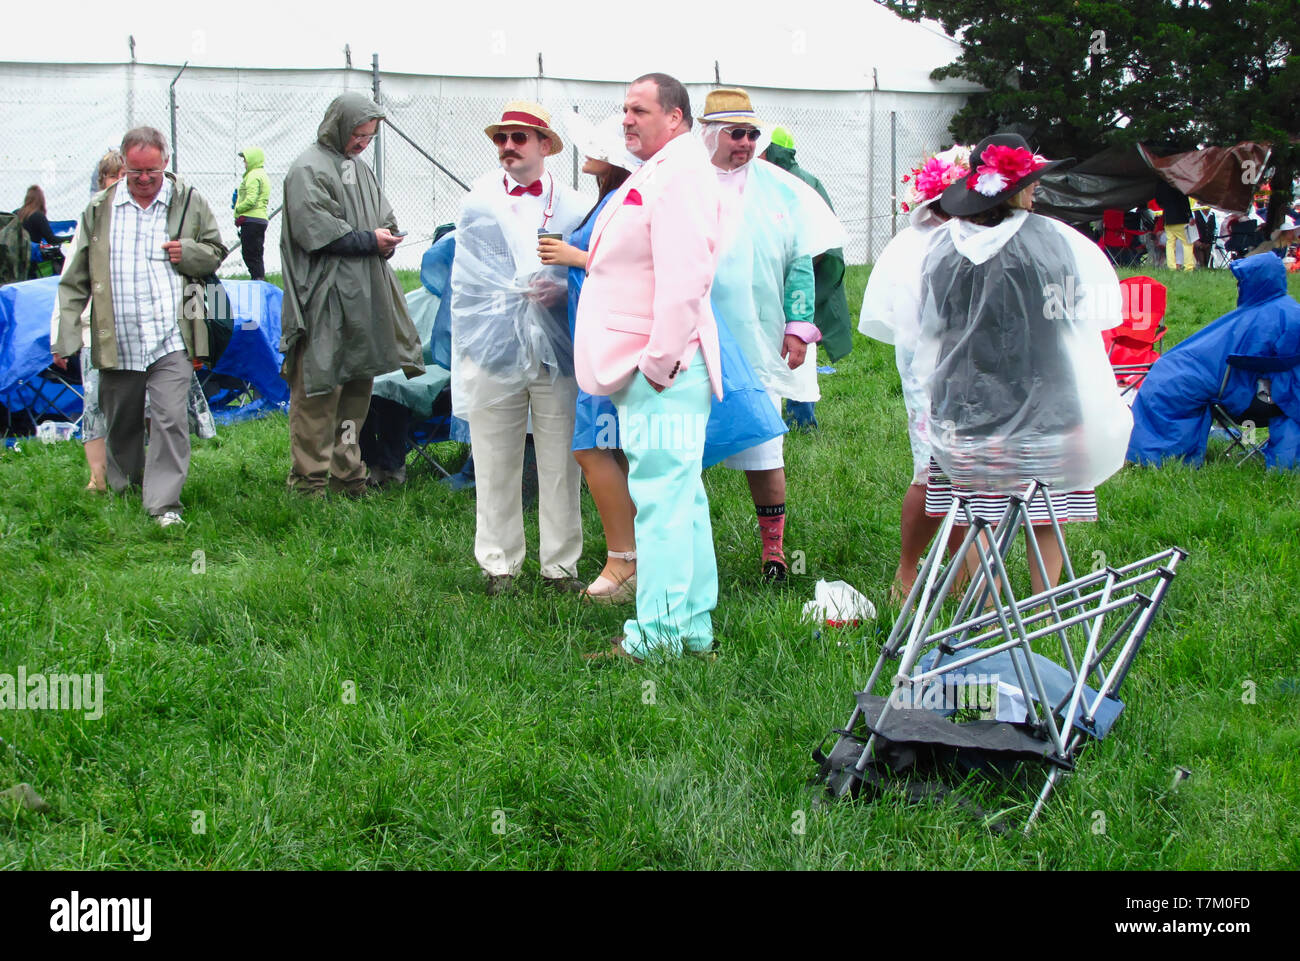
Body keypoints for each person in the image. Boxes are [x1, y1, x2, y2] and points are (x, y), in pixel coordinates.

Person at [913, 134, 1131, 592]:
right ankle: (1041, 602)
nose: (1037, 192)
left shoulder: (942, 246)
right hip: (1047, 400)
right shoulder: (1051, 241)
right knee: (1046, 510)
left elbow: (931, 320)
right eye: (1032, 183)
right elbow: (1073, 314)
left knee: (974, 511)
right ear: (1016, 189)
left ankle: (987, 608)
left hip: (965, 405)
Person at [573, 72, 725, 662]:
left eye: (639, 110)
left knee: (661, 502)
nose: (627, 120)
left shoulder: (681, 174)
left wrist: (657, 365)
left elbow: (687, 279)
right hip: (660, 368)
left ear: (677, 118)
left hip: (663, 371)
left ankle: (656, 638)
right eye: (624, 110)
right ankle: (688, 630)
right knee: (680, 499)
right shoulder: (666, 169)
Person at [701, 87, 844, 583]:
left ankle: (775, 552)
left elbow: (799, 263)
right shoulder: (682, 183)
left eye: (752, 134)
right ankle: (682, 550)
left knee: (764, 443)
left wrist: (798, 328)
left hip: (758, 341)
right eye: (736, 133)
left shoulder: (781, 188)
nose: (746, 143)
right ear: (710, 134)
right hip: (692, 339)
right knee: (681, 444)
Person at [55, 126, 228, 527]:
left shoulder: (189, 203)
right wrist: (64, 337)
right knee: (122, 422)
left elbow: (216, 252)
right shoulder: (100, 209)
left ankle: (164, 505)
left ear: (165, 163)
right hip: (118, 339)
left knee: (170, 418)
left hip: (171, 336)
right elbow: (75, 278)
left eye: (152, 170)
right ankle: (127, 484)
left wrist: (188, 253)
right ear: (124, 166)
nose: (145, 179)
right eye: (135, 172)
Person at [449, 100, 588, 595]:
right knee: (493, 457)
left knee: (561, 460)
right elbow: (466, 283)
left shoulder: (574, 204)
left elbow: (590, 269)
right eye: (501, 138)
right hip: (495, 347)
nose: (507, 147)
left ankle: (561, 567)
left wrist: (561, 289)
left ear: (545, 145)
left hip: (558, 348)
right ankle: (499, 565)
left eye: (519, 138)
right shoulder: (478, 200)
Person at [279, 93, 424, 498]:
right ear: (339, 125)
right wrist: (369, 240)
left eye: (369, 136)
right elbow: (313, 231)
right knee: (318, 395)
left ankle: (348, 477)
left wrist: (388, 239)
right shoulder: (308, 168)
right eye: (358, 134)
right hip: (324, 301)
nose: (362, 142)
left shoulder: (358, 170)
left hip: (364, 302)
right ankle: (308, 484)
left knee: (356, 396)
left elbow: (383, 216)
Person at [859, 145, 971, 598]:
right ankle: (906, 571)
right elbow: (921, 322)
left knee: (968, 476)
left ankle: (962, 571)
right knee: (931, 469)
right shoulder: (924, 244)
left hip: (974, 370)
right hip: (934, 372)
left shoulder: (968, 236)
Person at [537, 112, 639, 602]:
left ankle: (626, 562)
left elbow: (637, 263)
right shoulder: (613, 197)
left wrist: (574, 258)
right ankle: (635, 556)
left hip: (611, 345)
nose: (586, 153)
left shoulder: (625, 199)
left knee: (591, 447)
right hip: (595, 338)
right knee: (612, 448)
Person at [760, 126, 855, 430]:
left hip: (799, 280)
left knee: (799, 344)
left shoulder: (791, 183)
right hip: (782, 280)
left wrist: (793, 270)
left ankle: (800, 418)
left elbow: (813, 243)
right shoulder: (770, 180)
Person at [49, 151, 126, 491]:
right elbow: (70, 281)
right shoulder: (90, 218)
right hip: (95, 329)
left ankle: (140, 471)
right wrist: (60, 336)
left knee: (144, 406)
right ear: (102, 181)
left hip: (141, 326)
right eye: (115, 175)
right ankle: (98, 478)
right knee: (95, 404)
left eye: (127, 174)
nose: (121, 182)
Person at [234, 146, 270, 280]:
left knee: (249, 253)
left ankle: (258, 280)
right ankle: (259, 279)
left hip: (251, 220)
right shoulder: (262, 175)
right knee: (257, 253)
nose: (244, 163)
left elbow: (250, 200)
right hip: (260, 219)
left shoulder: (253, 176)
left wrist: (238, 209)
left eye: (246, 160)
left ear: (253, 160)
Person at [18, 185, 64, 277]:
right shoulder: (38, 216)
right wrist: (71, 238)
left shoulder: (16, 213)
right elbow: (51, 239)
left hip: (17, 257)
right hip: (31, 258)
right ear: (41, 200)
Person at [1156, 180, 1195, 271]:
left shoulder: (1161, 183)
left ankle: (1171, 267)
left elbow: (1158, 200)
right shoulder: (1179, 183)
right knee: (1187, 243)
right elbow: (1184, 201)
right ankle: (1188, 268)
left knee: (1170, 243)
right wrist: (1190, 216)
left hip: (1168, 218)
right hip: (1181, 218)